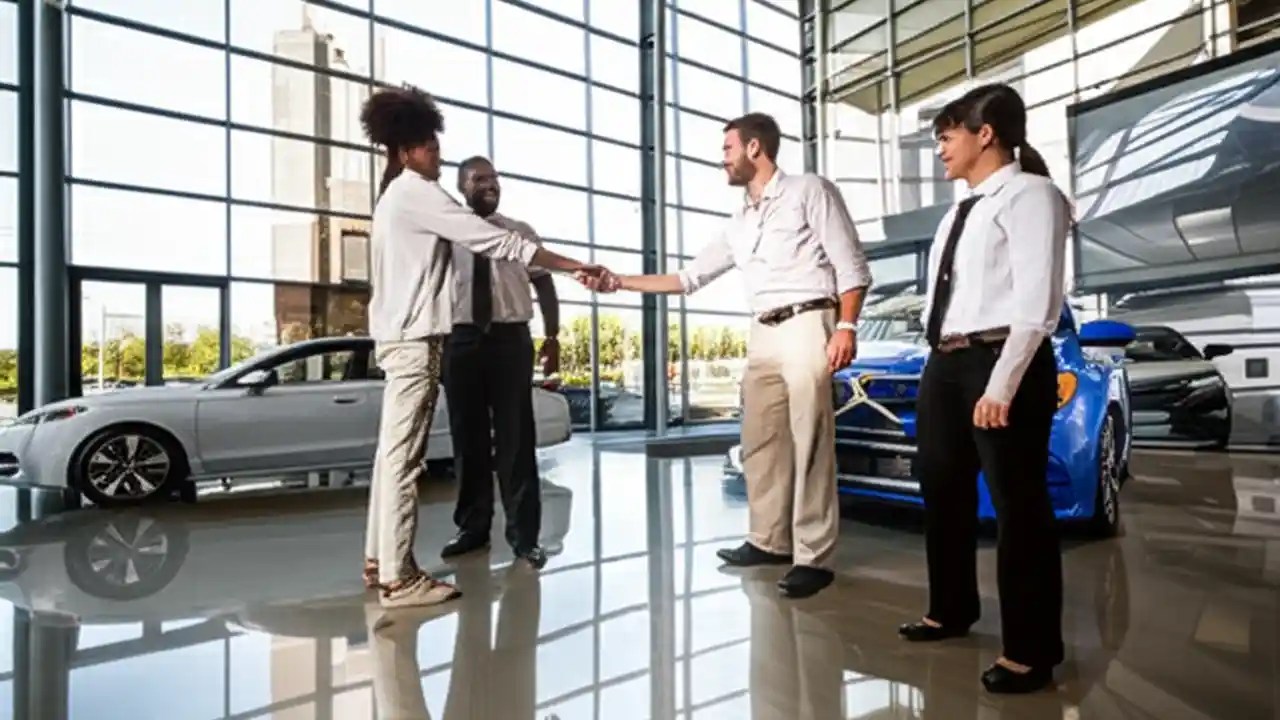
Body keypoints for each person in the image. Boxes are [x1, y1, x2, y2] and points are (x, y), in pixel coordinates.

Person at [585, 112, 871, 599]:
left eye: (727, 150)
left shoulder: (809, 191)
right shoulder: (739, 222)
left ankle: (814, 556)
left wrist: (846, 327)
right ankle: (769, 539)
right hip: (762, 331)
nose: (723, 160)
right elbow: (688, 279)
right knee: (761, 441)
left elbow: (852, 266)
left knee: (811, 438)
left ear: (755, 148)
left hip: (809, 321)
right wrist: (617, 282)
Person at [359, 87, 608, 608]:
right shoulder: (418, 193)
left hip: (431, 338)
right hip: (420, 341)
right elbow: (496, 242)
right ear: (406, 151)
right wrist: (575, 265)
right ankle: (400, 579)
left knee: (392, 458)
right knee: (405, 461)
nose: (437, 153)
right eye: (430, 146)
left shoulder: (394, 197)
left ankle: (380, 559)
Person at [896, 82, 1070, 694]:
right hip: (944, 364)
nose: (940, 148)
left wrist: (1000, 386)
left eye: (946, 135)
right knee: (941, 490)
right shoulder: (958, 210)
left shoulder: (1032, 195)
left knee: (1019, 507)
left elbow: (1036, 305)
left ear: (984, 133)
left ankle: (1031, 650)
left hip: (1004, 360)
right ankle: (950, 608)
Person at [440, 156, 560, 569]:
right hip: (461, 340)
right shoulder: (446, 236)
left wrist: (553, 337)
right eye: (480, 179)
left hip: (511, 340)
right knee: (467, 440)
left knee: (516, 439)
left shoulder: (519, 233)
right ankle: (473, 530)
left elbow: (544, 284)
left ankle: (525, 539)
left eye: (494, 178)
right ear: (462, 187)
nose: (491, 184)